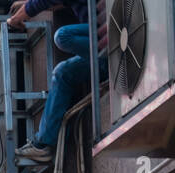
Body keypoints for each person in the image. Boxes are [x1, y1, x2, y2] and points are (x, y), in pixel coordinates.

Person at [7, 0, 105, 164]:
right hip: (98, 48)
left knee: (63, 36)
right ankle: (43, 144)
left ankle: (106, 56)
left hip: (111, 35)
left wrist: (15, 19)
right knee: (62, 72)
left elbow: (42, 2)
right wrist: (26, 5)